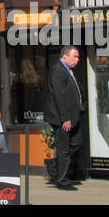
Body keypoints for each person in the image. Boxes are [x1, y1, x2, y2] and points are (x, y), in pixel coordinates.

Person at [43, 45, 84, 190]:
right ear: (65, 57)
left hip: (73, 117)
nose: (77, 60)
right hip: (62, 119)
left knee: (77, 143)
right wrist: (65, 118)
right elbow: (59, 96)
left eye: (78, 57)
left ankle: (57, 166)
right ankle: (62, 179)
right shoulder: (59, 70)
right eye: (75, 56)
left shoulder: (68, 71)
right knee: (64, 148)